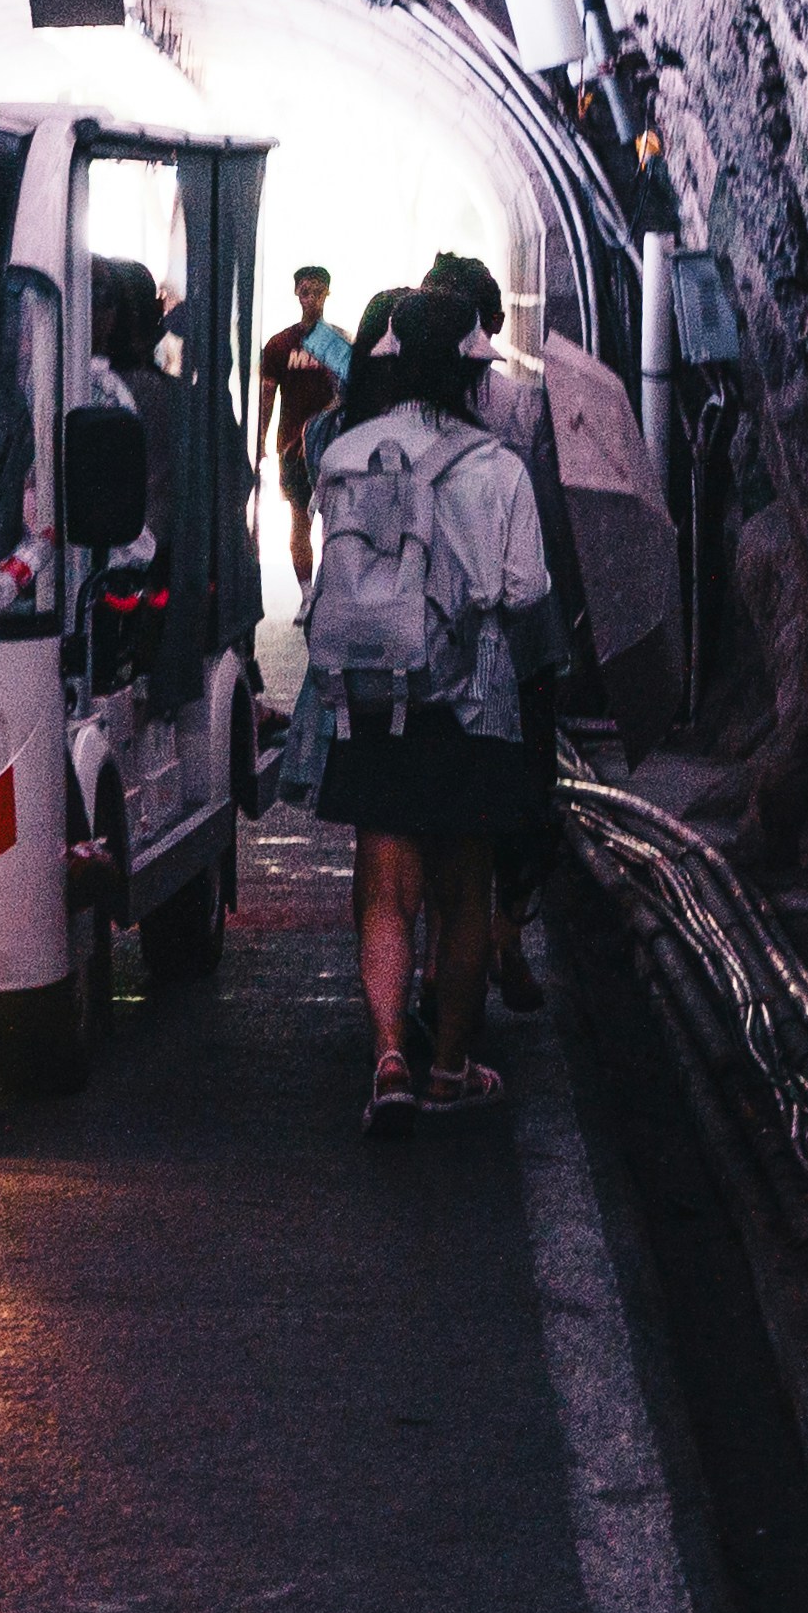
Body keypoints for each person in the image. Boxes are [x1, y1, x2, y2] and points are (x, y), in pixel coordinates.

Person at [300, 289, 563, 1138]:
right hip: (470, 707)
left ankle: (386, 1057)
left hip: (371, 700)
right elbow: (527, 590)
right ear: (468, 369)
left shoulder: (345, 455)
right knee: (461, 893)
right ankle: (448, 1070)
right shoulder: (498, 469)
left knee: (383, 889)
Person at [253, 266, 349, 587]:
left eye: (318, 292)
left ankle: (326, 589)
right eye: (306, 292)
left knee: (335, 522)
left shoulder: (338, 343)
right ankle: (307, 592)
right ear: (297, 293)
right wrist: (261, 441)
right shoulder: (280, 345)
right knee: (299, 519)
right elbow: (268, 395)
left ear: (327, 294)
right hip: (294, 447)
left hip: (333, 446)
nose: (312, 299)